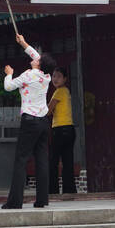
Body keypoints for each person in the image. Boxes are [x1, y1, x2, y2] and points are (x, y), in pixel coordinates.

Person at [1, 33, 57, 209]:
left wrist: (9, 74)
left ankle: (15, 201)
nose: (36, 58)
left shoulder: (29, 74)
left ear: (39, 64)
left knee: (21, 159)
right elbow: (36, 56)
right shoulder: (47, 76)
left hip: (29, 121)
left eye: (38, 59)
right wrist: (23, 43)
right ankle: (42, 200)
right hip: (43, 122)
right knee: (41, 159)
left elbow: (8, 87)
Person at [48, 67, 77, 196]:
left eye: (59, 76)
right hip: (70, 129)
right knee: (68, 162)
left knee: (53, 161)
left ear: (65, 79)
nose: (55, 79)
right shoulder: (66, 91)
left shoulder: (59, 92)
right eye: (54, 76)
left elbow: (48, 111)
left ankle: (53, 191)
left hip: (59, 130)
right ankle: (69, 191)